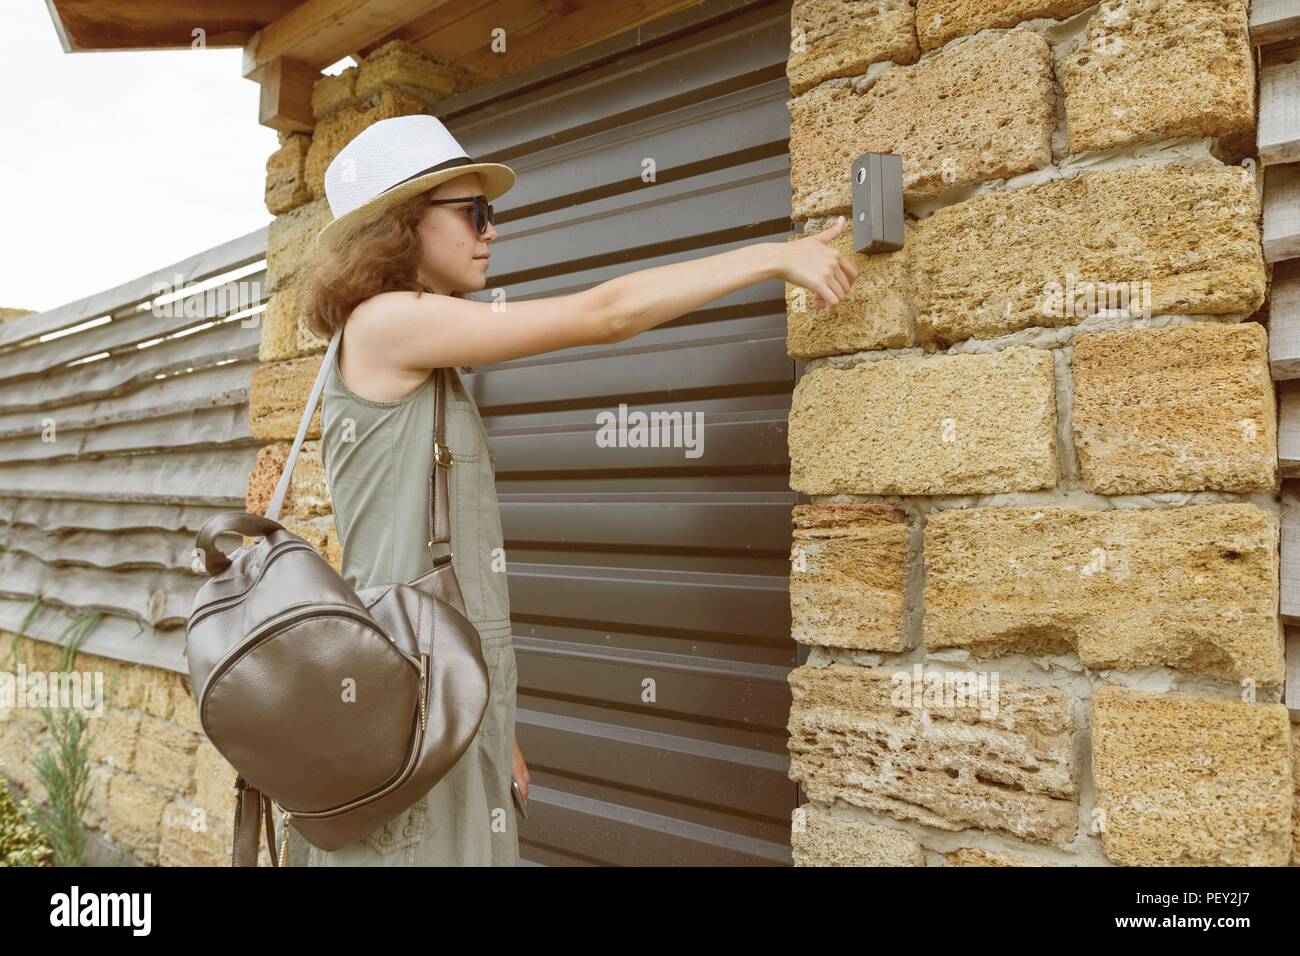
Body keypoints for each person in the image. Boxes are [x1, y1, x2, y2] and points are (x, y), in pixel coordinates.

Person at [287, 114, 857, 866]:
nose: (492, 232)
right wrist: (771, 257)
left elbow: (445, 569)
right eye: (473, 213)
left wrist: (495, 731)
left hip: (433, 696)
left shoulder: (415, 346)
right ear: (401, 226)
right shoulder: (390, 324)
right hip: (407, 701)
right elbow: (606, 314)